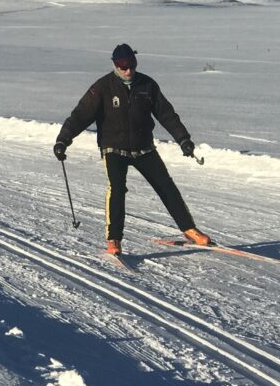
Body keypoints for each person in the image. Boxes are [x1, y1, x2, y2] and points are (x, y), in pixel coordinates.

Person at [53, 43, 210, 256]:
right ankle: (114, 239)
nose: (128, 71)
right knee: (117, 189)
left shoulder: (147, 85)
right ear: (115, 65)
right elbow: (80, 116)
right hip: (113, 149)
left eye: (131, 66)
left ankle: (189, 229)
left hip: (144, 148)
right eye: (122, 66)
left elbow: (167, 115)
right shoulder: (102, 87)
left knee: (166, 187)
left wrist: (183, 139)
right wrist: (63, 140)